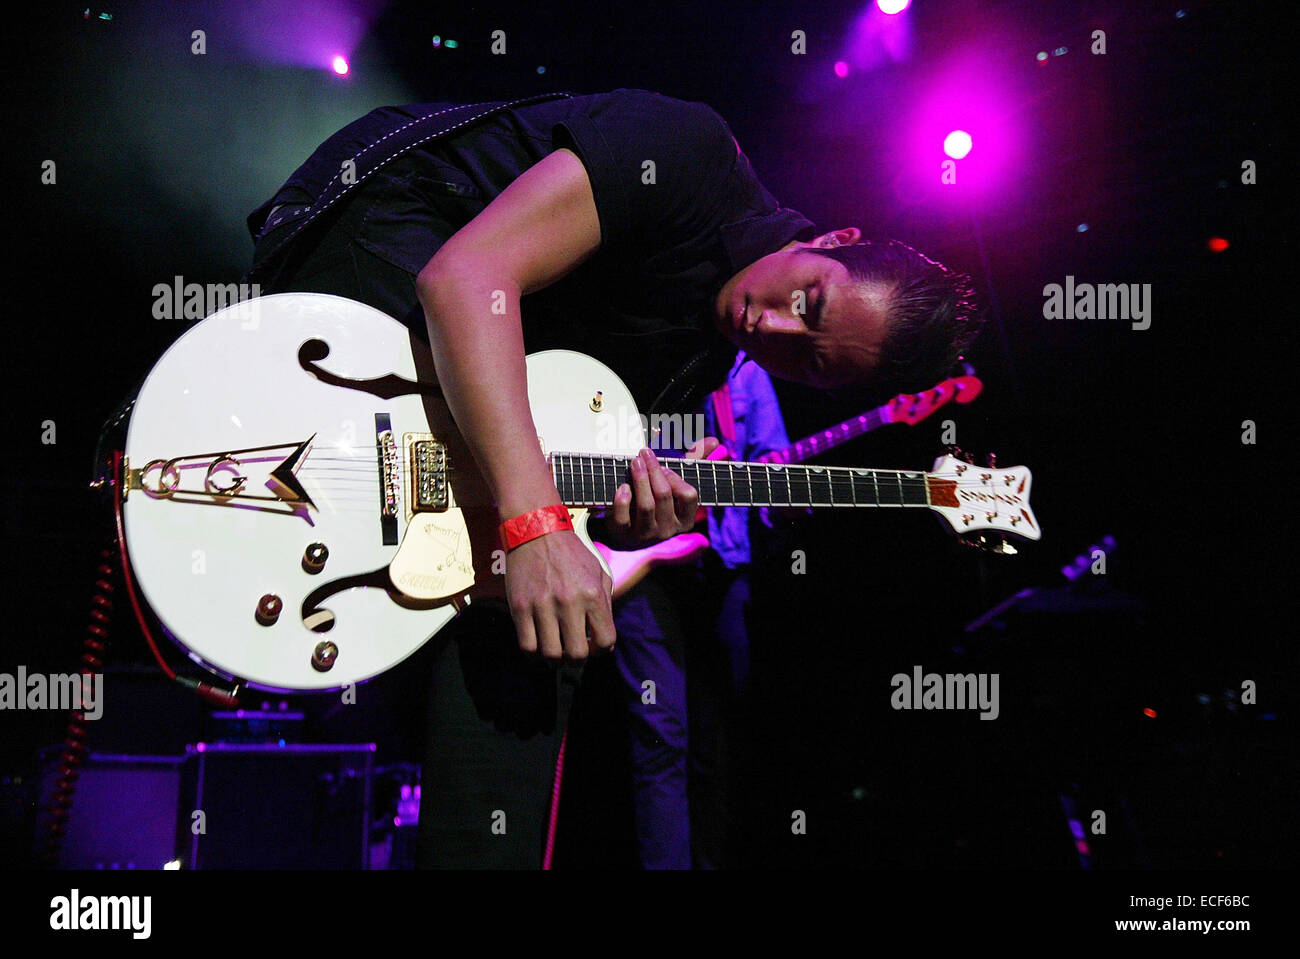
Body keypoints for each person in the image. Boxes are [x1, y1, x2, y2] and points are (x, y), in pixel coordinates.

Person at [245, 87, 979, 868]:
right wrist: (536, 526)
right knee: (539, 548)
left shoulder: (700, 364)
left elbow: (548, 434)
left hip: (454, 391)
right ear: (833, 237)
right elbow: (466, 279)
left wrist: (622, 523)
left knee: (554, 623)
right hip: (371, 217)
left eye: (807, 360)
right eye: (809, 299)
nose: (774, 328)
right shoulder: (693, 155)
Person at [610, 352, 792, 868]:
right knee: (661, 735)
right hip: (639, 565)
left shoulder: (745, 368)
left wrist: (783, 493)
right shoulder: (647, 349)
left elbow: (774, 459)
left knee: (719, 742)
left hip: (721, 564)